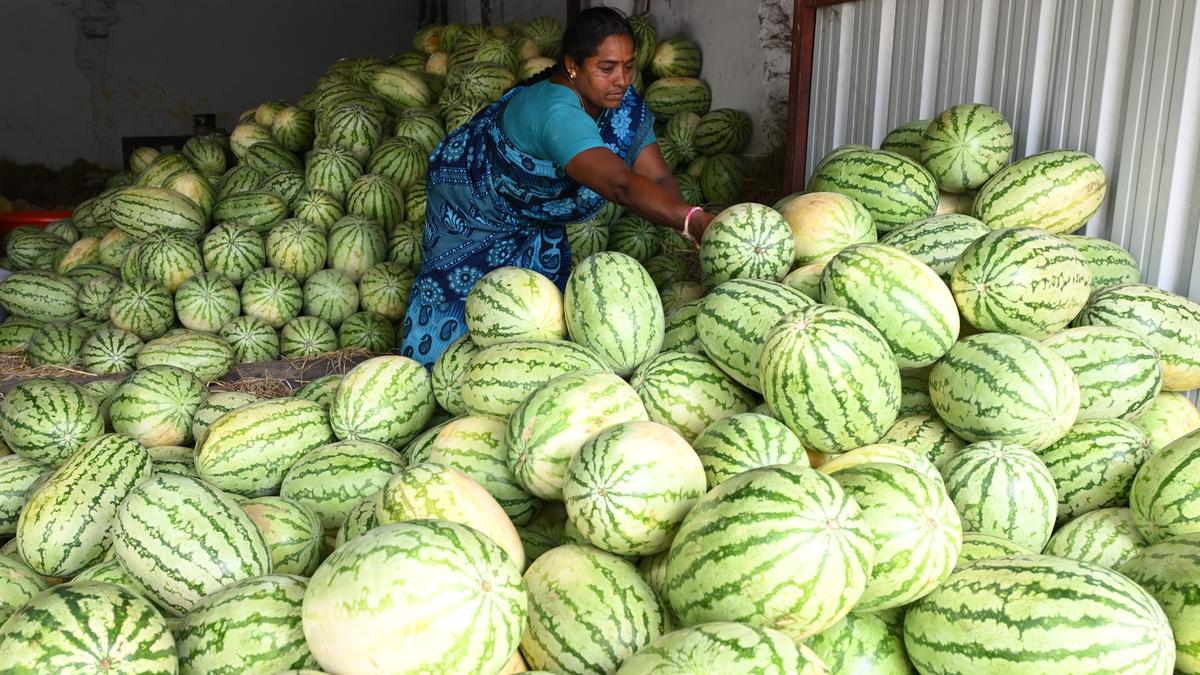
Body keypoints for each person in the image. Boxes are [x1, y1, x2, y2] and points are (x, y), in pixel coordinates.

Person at [400, 7, 715, 368]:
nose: (621, 80)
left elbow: (657, 179)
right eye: (607, 68)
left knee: (534, 314)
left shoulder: (622, 108)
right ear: (573, 66)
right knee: (456, 293)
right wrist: (694, 220)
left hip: (528, 211)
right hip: (471, 201)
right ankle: (426, 368)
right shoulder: (558, 113)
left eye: (628, 66)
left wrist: (685, 224)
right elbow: (621, 185)